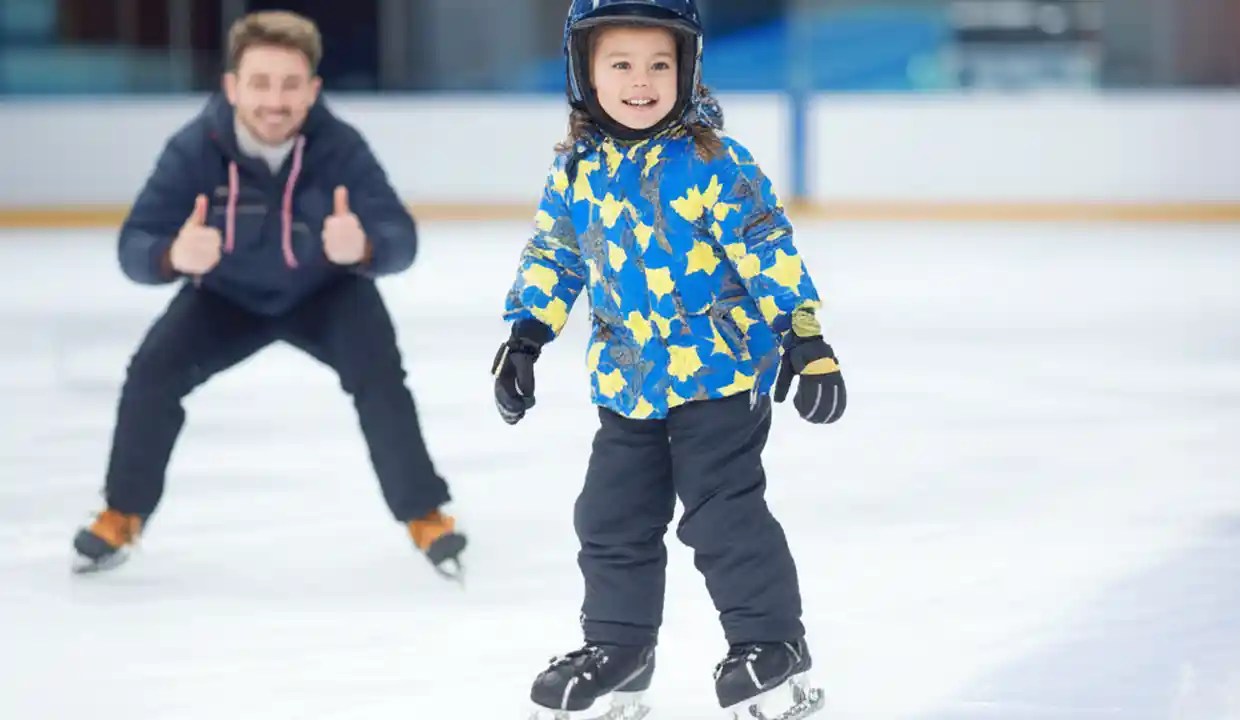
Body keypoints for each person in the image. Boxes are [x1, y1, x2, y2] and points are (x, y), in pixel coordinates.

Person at [491, 1, 844, 716]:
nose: (641, 81)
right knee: (609, 516)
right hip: (628, 383)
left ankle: (770, 643)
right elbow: (553, 255)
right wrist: (525, 336)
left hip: (718, 374)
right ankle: (620, 647)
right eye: (620, 63)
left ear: (687, 70)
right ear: (584, 72)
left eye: (660, 64)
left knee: (720, 515)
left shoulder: (714, 161)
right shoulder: (578, 168)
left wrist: (806, 340)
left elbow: (769, 250)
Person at [71, 10, 465, 580]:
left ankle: (424, 513)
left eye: (289, 84)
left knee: (380, 376)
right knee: (151, 373)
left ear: (313, 90)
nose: (274, 101)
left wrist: (365, 248)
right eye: (260, 83)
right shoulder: (192, 150)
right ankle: (121, 513)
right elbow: (135, 244)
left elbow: (401, 240)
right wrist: (171, 257)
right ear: (232, 86)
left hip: (326, 293)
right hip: (224, 298)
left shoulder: (341, 148)